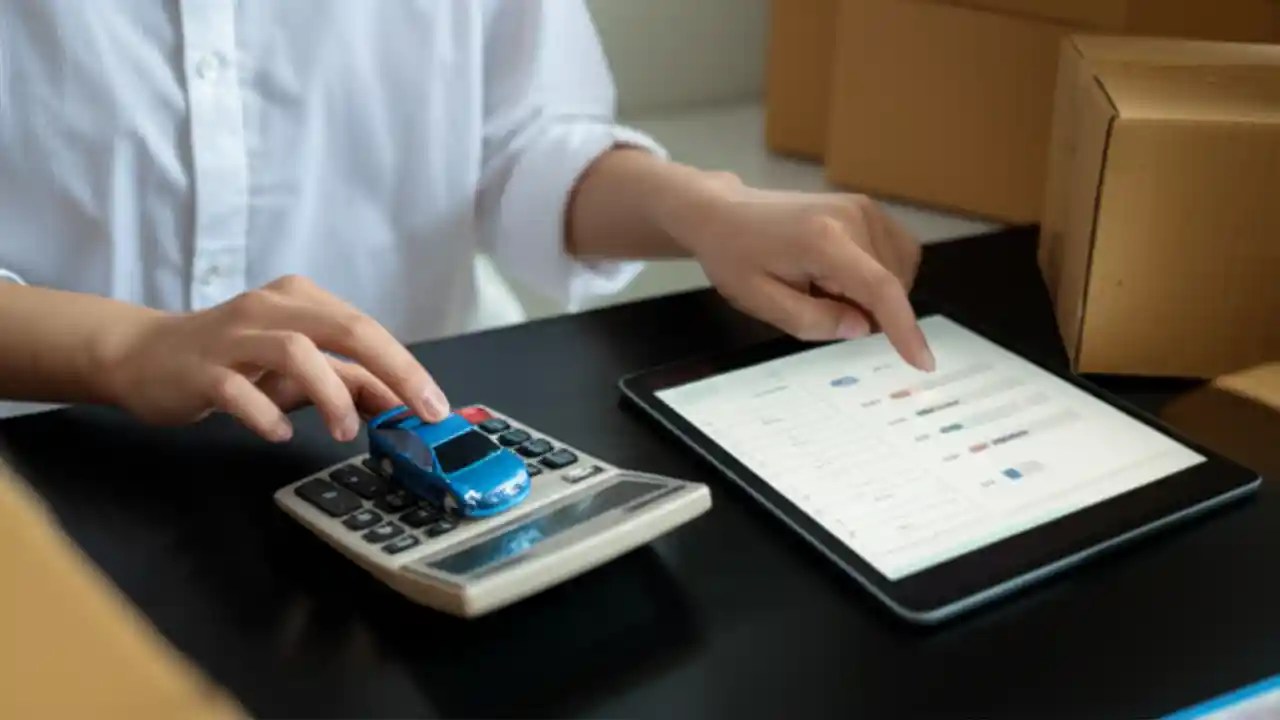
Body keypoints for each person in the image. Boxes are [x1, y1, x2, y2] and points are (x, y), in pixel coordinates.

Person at [0, 1, 933, 445]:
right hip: (50, 455)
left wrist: (703, 209)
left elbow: (517, 147)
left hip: (408, 422)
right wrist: (126, 348)